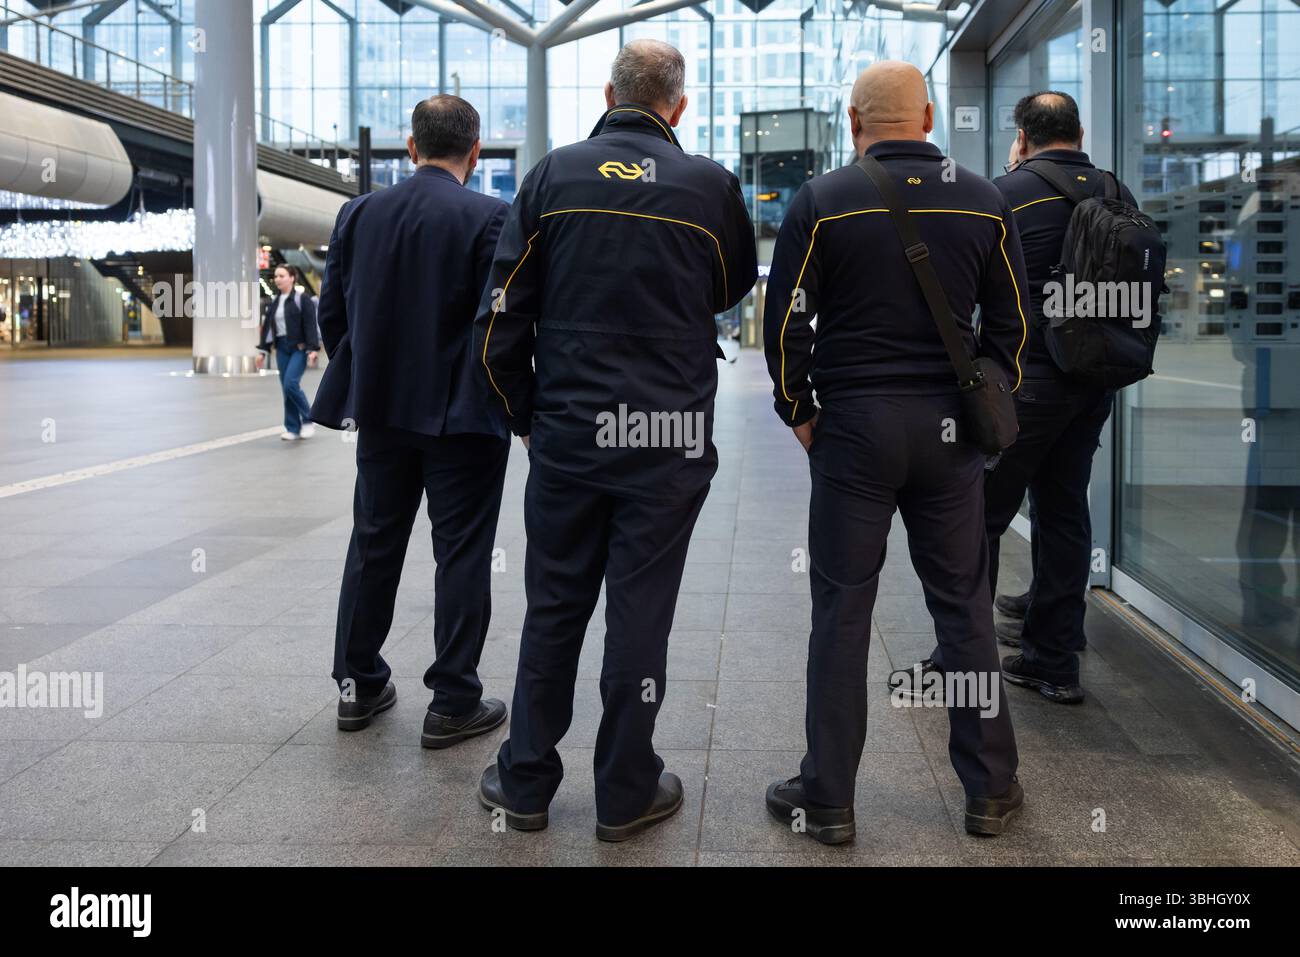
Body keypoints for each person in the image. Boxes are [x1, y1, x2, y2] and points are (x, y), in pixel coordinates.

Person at [474, 39, 757, 841]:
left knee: (554, 604)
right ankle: (625, 789)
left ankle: (525, 780)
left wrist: (523, 412)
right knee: (642, 610)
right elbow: (732, 285)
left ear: (607, 93)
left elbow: (499, 318)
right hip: (667, 442)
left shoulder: (553, 176)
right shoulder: (708, 185)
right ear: (680, 106)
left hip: (568, 437)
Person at [762, 61, 1027, 844]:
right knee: (964, 608)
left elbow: (786, 324)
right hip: (949, 435)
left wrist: (800, 411)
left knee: (842, 609)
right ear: (929, 116)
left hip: (855, 429)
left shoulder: (824, 199)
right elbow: (1014, 328)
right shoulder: (985, 198)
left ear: (853, 122)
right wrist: (988, 402)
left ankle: (830, 798)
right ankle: (988, 789)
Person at [310, 95, 512, 748]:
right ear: (475, 152)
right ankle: (453, 698)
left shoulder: (360, 212)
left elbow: (334, 313)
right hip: (464, 419)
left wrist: (369, 371)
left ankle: (357, 685)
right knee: (461, 552)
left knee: (373, 542)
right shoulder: (490, 217)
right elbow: (496, 325)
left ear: (410, 147)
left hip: (381, 412)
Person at [983, 91, 1138, 703]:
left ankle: (963, 653)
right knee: (1064, 503)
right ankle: (1054, 647)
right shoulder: (1115, 190)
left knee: (983, 515)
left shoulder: (1006, 192)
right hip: (1094, 373)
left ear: (1023, 135)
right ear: (1077, 131)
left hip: (1026, 377)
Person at [256, 263, 319, 441]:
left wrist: (312, 348)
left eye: (281, 276)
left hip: (299, 348)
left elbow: (310, 324)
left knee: (291, 383)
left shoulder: (302, 299)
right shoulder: (275, 301)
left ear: (292, 278)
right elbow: (268, 328)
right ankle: (292, 427)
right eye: (275, 276)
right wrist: (262, 351)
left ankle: (308, 420)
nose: (277, 279)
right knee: (286, 388)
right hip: (281, 348)